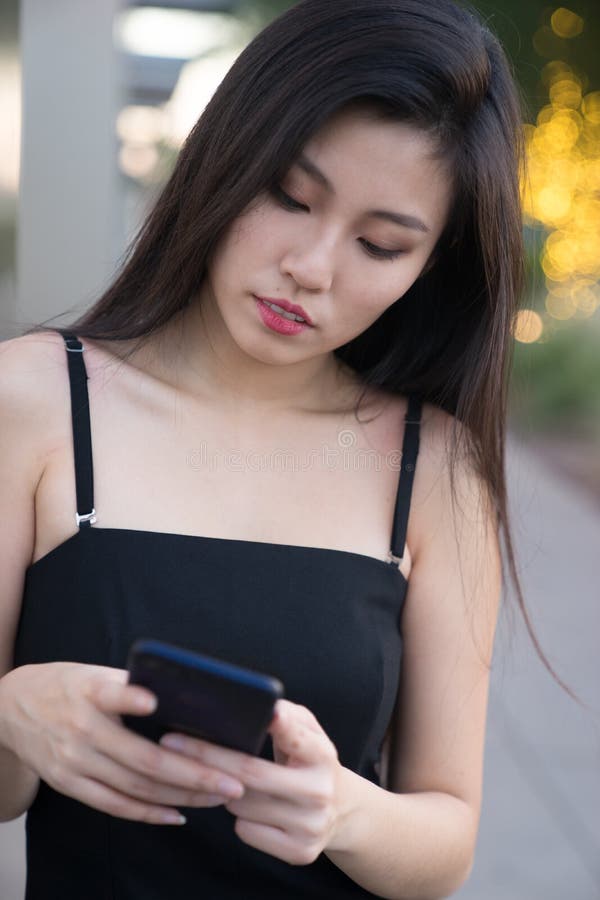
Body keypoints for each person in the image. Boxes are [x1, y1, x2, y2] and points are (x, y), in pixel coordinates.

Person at [0, 0, 535, 897]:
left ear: (428, 268)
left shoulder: (434, 466)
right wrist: (15, 715)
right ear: (224, 158)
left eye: (379, 243)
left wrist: (343, 809)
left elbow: (446, 837)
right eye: (289, 196)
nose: (313, 266)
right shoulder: (32, 400)